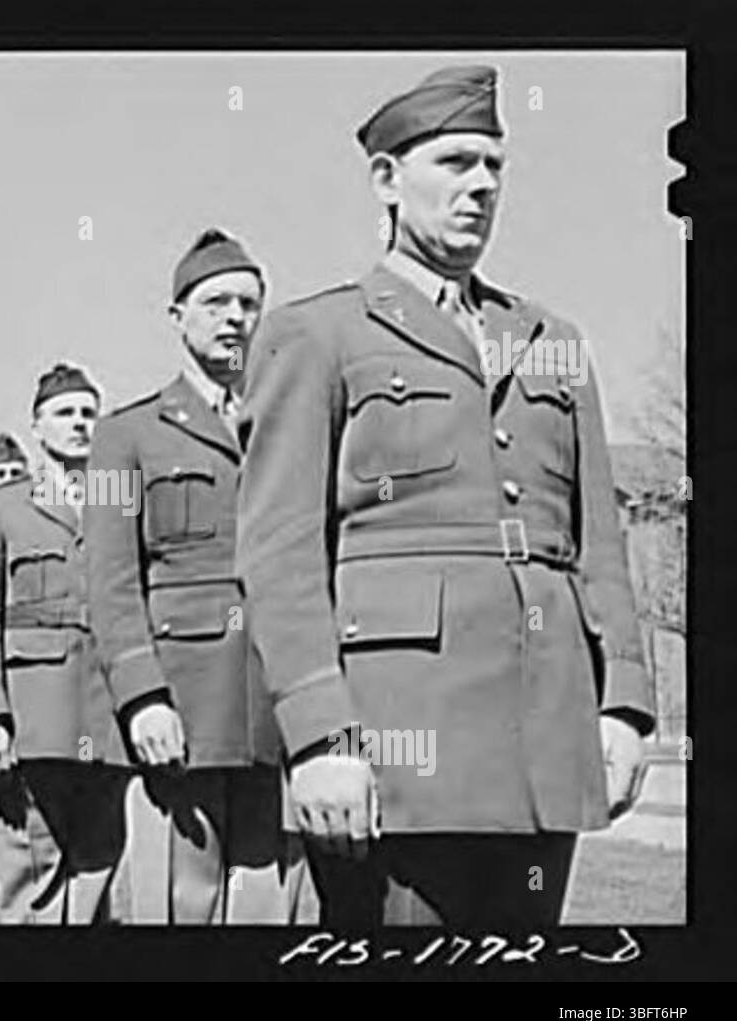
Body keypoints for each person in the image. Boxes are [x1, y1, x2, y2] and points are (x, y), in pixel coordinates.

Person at [236, 65, 654, 928]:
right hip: (396, 753)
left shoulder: (549, 340)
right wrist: (319, 736)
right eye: (456, 162)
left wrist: (625, 704)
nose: (482, 185)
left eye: (496, 165)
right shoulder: (318, 335)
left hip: (543, 744)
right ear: (387, 180)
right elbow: (279, 555)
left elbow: (597, 540)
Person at [84, 230, 301, 924]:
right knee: (178, 900)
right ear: (177, 316)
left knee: (270, 905)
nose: (234, 316)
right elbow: (111, 582)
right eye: (214, 301)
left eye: (247, 302)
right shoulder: (126, 435)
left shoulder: (295, 426)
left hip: (280, 709)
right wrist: (143, 696)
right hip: (181, 711)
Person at [0, 364, 131, 923]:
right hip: (31, 725)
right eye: (65, 413)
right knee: (27, 883)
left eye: (88, 413)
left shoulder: (121, 503)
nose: (79, 424)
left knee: (100, 882)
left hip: (108, 725)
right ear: (37, 427)